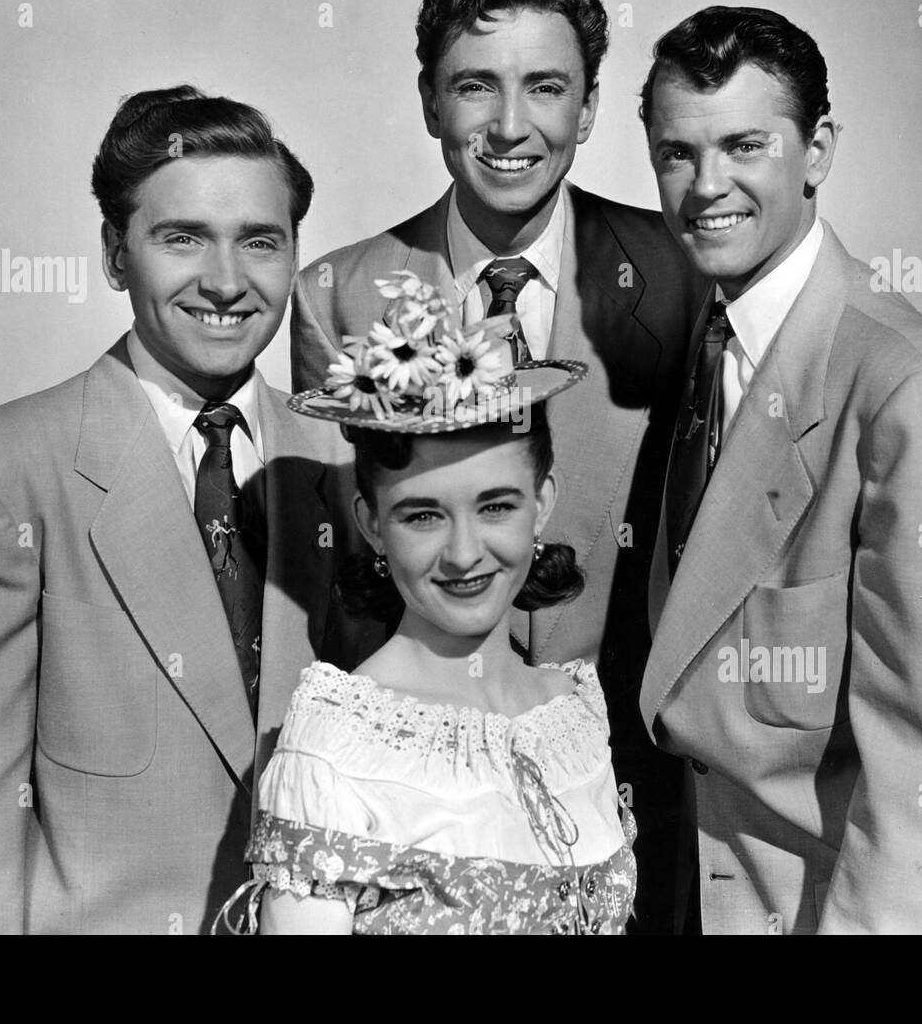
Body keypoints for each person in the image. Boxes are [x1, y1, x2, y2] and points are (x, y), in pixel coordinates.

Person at [0, 86, 377, 933]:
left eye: (259, 241)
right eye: (182, 239)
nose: (225, 282)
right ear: (115, 254)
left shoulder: (352, 462)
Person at [289, 0, 699, 934]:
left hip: (631, 800)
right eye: (476, 86)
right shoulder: (336, 294)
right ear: (431, 101)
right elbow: (355, 570)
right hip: (422, 814)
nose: (510, 127)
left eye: (545, 87)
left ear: (591, 107)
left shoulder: (685, 275)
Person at [639, 6, 922, 933]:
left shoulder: (915, 395)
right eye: (676, 153)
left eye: (745, 146)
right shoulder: (700, 333)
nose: (707, 187)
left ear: (817, 149)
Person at [218, 273, 636, 934]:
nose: (464, 554)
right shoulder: (334, 752)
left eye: (496, 506)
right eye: (423, 517)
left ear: (543, 502)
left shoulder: (573, 714)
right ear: (372, 522)